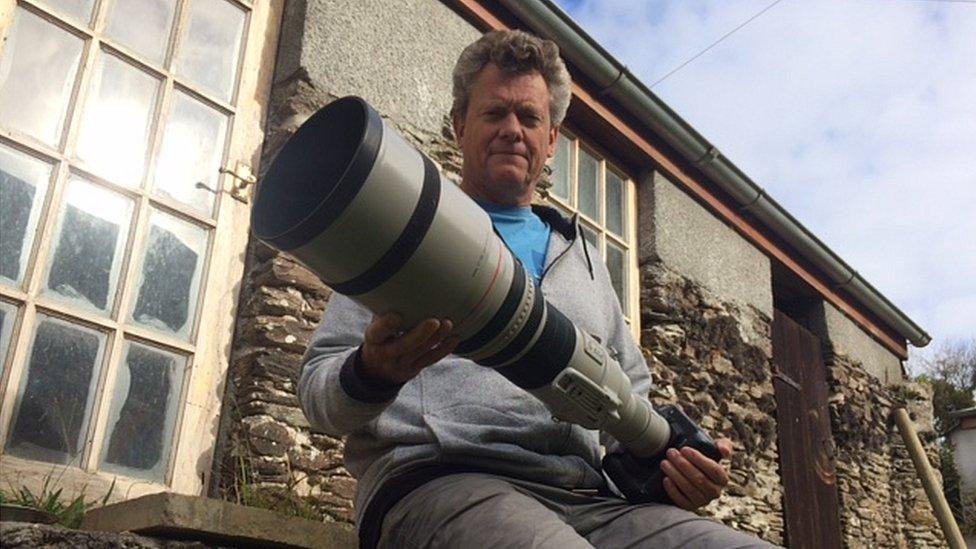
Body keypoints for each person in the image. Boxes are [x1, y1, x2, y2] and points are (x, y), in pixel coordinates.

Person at [299, 29, 777, 548]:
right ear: (460, 126)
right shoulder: (402, 228)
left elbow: (629, 409)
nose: (512, 130)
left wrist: (675, 468)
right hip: (439, 484)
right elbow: (318, 399)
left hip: (590, 500)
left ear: (551, 140)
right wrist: (371, 373)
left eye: (529, 117)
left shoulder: (588, 262)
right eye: (494, 113)